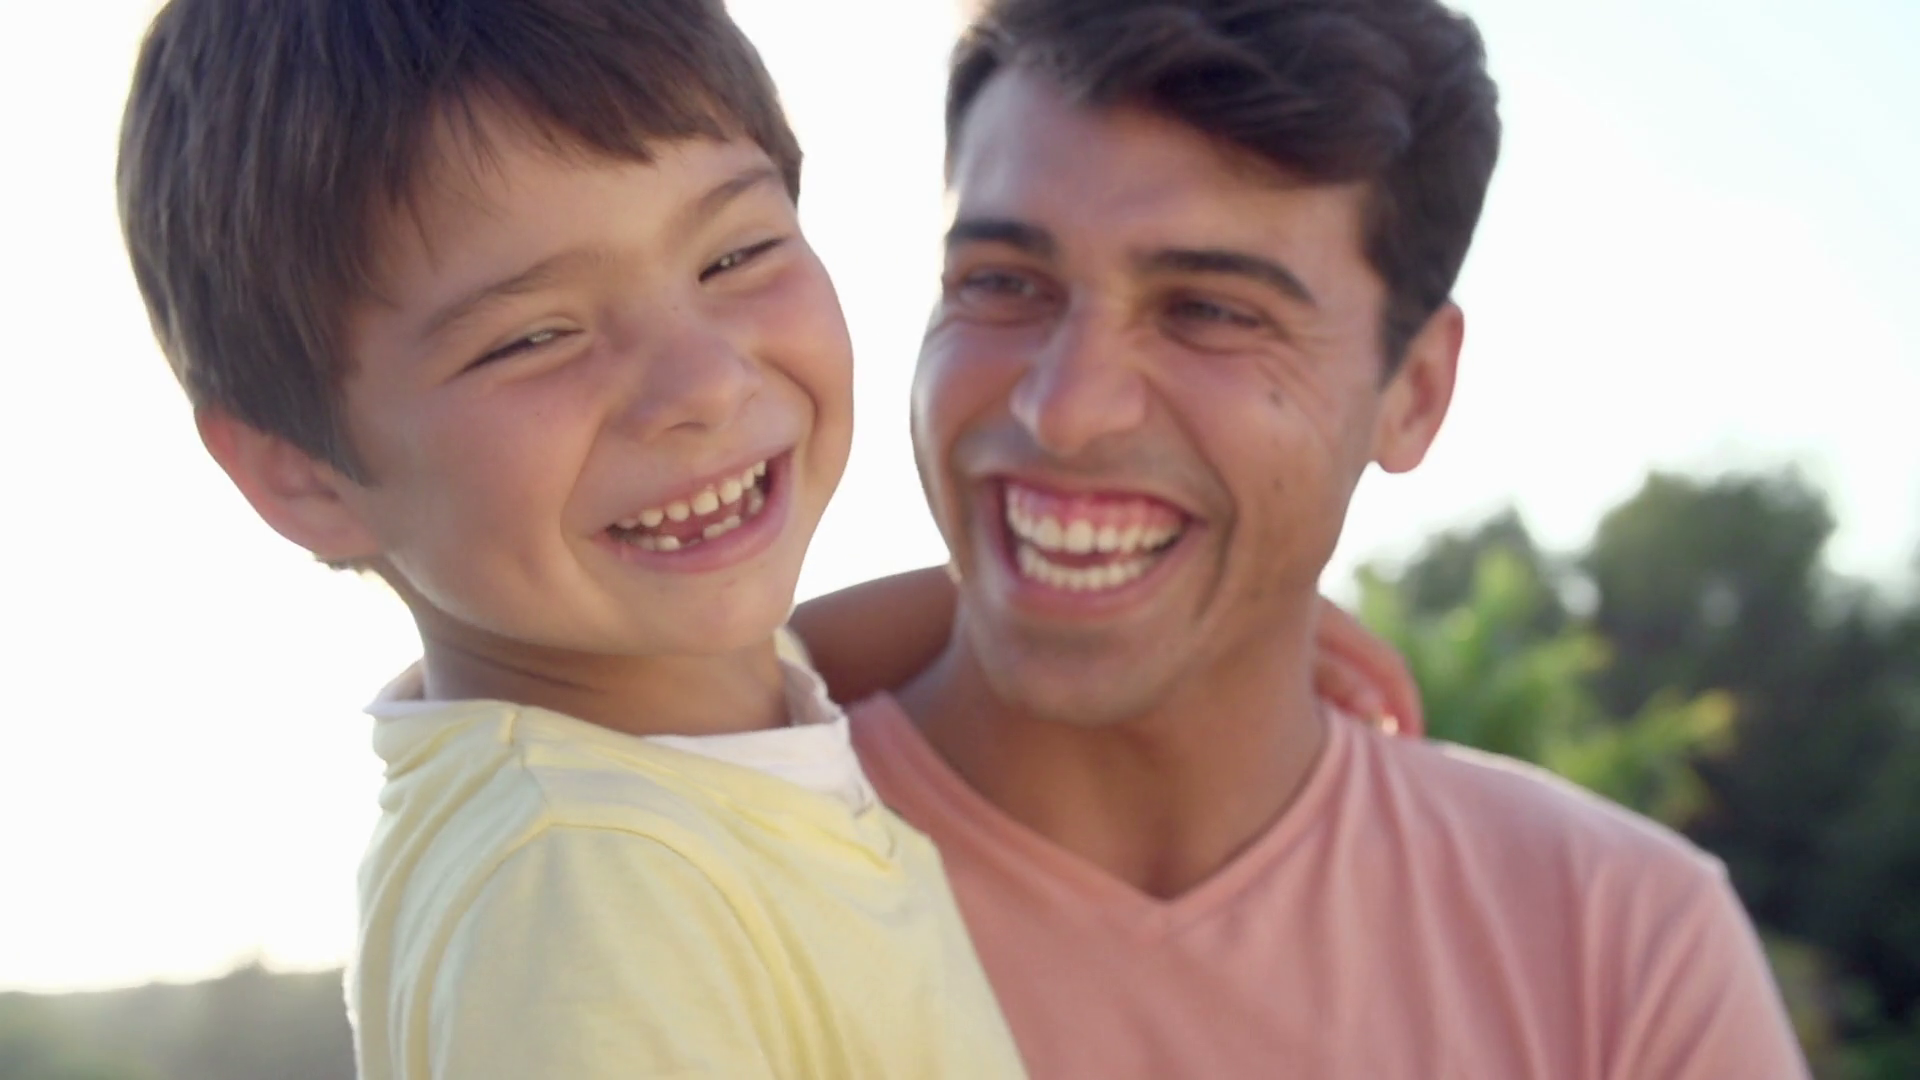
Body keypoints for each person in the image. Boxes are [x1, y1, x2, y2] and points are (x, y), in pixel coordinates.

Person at [797, 0, 1811, 1076]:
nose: (1067, 409)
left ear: (1415, 392)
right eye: (1002, 282)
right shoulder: (707, 861)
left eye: (1211, 311)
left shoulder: (1619, 946)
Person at [114, 1, 1027, 1076]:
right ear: (303, 476)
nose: (703, 383)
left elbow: (946, 624)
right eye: (535, 337)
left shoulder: (664, 725)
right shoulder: (587, 891)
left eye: (735, 255)